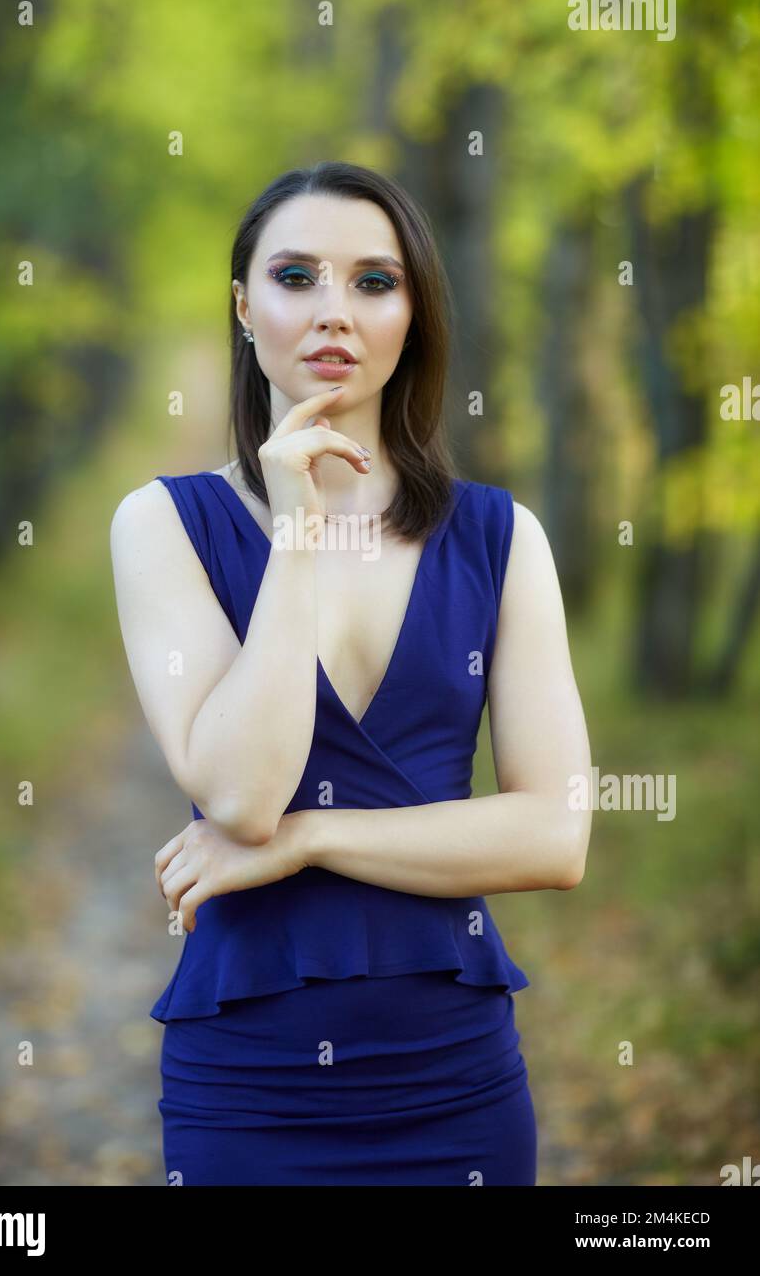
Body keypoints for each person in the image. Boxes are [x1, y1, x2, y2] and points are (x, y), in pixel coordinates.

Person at [110, 160, 592, 1186]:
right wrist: (297, 531)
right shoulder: (162, 526)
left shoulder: (501, 539)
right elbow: (239, 796)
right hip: (247, 1082)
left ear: (412, 313)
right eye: (296, 276)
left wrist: (309, 839)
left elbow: (554, 831)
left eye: (374, 281)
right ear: (243, 307)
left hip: (454, 1084)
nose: (335, 309)